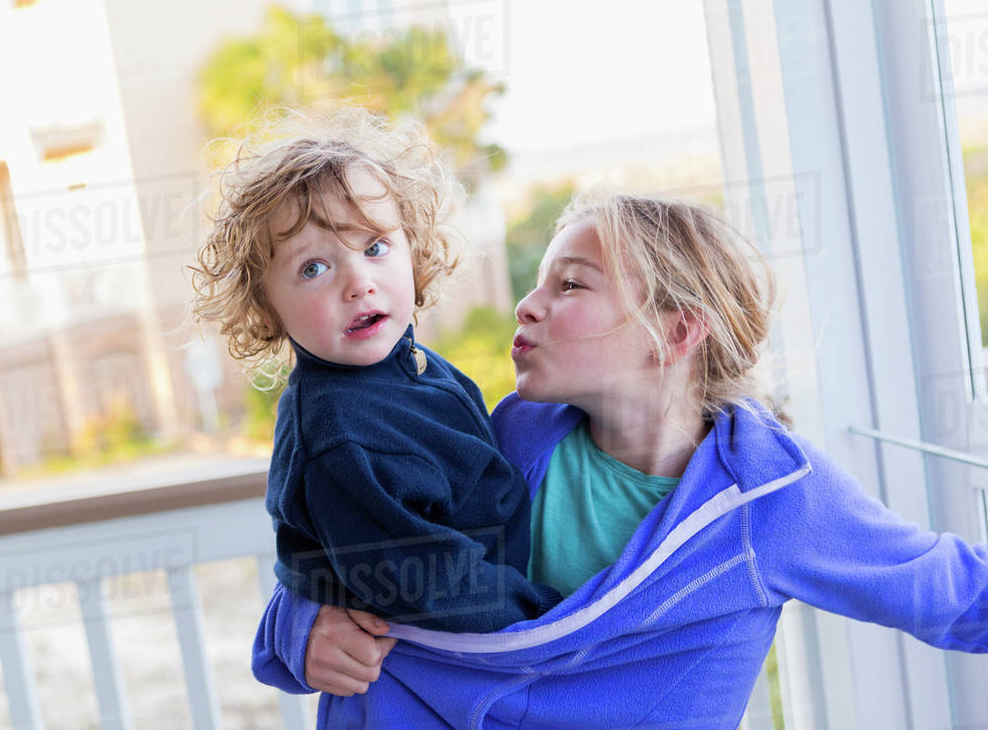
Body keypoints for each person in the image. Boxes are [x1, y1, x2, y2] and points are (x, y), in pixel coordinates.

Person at [251, 193, 988, 728]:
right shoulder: (513, 434)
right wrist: (302, 625)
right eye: (537, 283)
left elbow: (951, 592)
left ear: (674, 333)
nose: (527, 306)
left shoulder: (774, 499)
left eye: (569, 285)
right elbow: (352, 547)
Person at [191, 107, 561, 633]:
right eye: (313, 267)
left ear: (413, 249)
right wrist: (551, 617)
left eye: (375, 247)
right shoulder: (337, 433)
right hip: (428, 677)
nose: (358, 281)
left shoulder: (415, 366)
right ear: (266, 306)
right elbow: (430, 583)